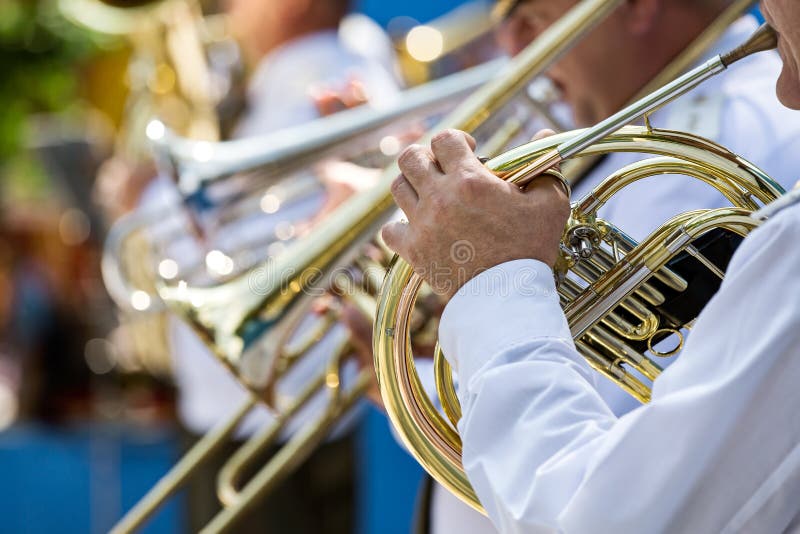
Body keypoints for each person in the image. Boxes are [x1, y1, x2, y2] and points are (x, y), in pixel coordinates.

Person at [364, 1, 800, 532]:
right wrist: (435, 364)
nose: (513, 50)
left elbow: (608, 492)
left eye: (530, 18)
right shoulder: (649, 123)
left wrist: (489, 287)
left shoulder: (729, 127)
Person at [131, 0, 400, 531]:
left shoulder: (316, 77)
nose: (225, 7)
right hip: (269, 417)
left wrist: (147, 202)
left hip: (266, 422)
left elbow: (252, 252)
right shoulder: (336, 62)